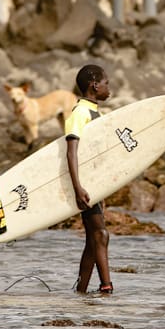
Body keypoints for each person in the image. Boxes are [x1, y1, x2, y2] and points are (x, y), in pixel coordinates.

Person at [65, 64, 113, 295]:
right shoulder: (79, 113)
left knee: (92, 241)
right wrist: (77, 188)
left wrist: (102, 190)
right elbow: (71, 152)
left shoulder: (94, 112)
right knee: (101, 235)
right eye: (106, 83)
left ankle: (81, 292)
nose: (109, 89)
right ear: (94, 84)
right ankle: (106, 287)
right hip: (84, 186)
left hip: (93, 186)